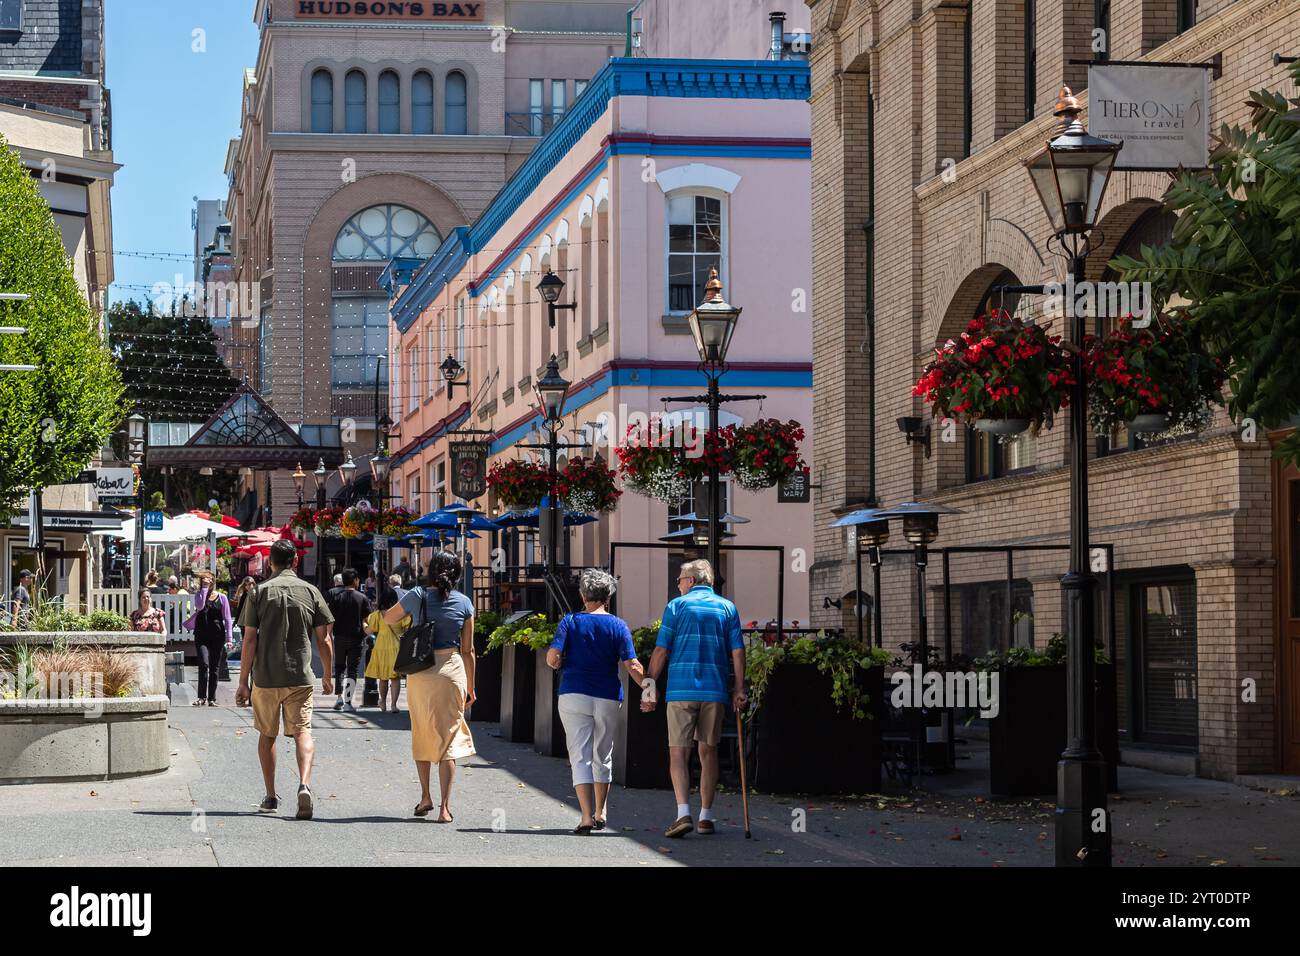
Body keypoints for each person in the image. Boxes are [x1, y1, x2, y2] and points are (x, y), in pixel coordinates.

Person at [645, 559, 746, 839]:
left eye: (679, 579)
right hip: (714, 690)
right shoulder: (727, 608)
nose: (677, 584)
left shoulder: (676, 607)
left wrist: (649, 687)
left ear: (690, 581)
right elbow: (738, 652)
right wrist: (739, 688)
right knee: (708, 750)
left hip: (680, 690)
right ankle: (706, 816)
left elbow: (661, 651)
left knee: (678, 752)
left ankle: (682, 813)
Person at [235, 539, 334, 819]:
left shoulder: (258, 593)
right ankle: (304, 784)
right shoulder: (311, 591)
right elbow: (324, 638)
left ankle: (270, 796)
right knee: (303, 731)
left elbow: (250, 639)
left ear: (269, 561)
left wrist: (243, 681)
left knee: (268, 735)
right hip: (300, 676)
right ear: (296, 561)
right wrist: (327, 673)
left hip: (266, 677)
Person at [547, 568, 647, 834]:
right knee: (603, 753)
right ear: (608, 597)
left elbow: (552, 657)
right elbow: (632, 664)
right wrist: (649, 688)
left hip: (573, 693)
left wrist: (557, 660)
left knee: (580, 756)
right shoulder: (618, 625)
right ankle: (601, 810)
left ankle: (585, 817)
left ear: (582, 595)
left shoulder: (570, 621)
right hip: (607, 696)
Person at [384, 551, 475, 823]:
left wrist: (413, 617)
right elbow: (469, 649)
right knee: (448, 738)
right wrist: (472, 686)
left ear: (431, 572)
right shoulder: (465, 602)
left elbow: (389, 618)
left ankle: (425, 796)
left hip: (421, 671)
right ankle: (445, 808)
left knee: (422, 731)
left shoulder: (417, 595)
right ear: (457, 574)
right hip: (451, 670)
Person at [326, 569, 372, 712]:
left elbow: (330, 620)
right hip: (356, 638)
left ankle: (339, 697)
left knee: (339, 667)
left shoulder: (336, 598)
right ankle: (348, 701)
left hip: (339, 637)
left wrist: (328, 635)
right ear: (355, 581)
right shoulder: (362, 598)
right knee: (352, 670)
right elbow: (366, 620)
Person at [185, 573, 232, 707]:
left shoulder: (222, 597)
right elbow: (199, 607)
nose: (206, 583)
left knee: (214, 667)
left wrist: (229, 638)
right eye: (204, 582)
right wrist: (204, 589)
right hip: (201, 635)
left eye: (209, 582)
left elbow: (227, 618)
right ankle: (201, 697)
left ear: (213, 582)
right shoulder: (199, 595)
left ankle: (212, 698)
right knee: (203, 664)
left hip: (217, 635)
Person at [364, 578, 408, 713]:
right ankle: (394, 705)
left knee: (383, 677)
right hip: (397, 647)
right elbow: (407, 628)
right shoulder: (400, 613)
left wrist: (364, 624)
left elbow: (369, 631)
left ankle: (382, 702)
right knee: (395, 679)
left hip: (381, 647)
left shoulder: (376, 615)